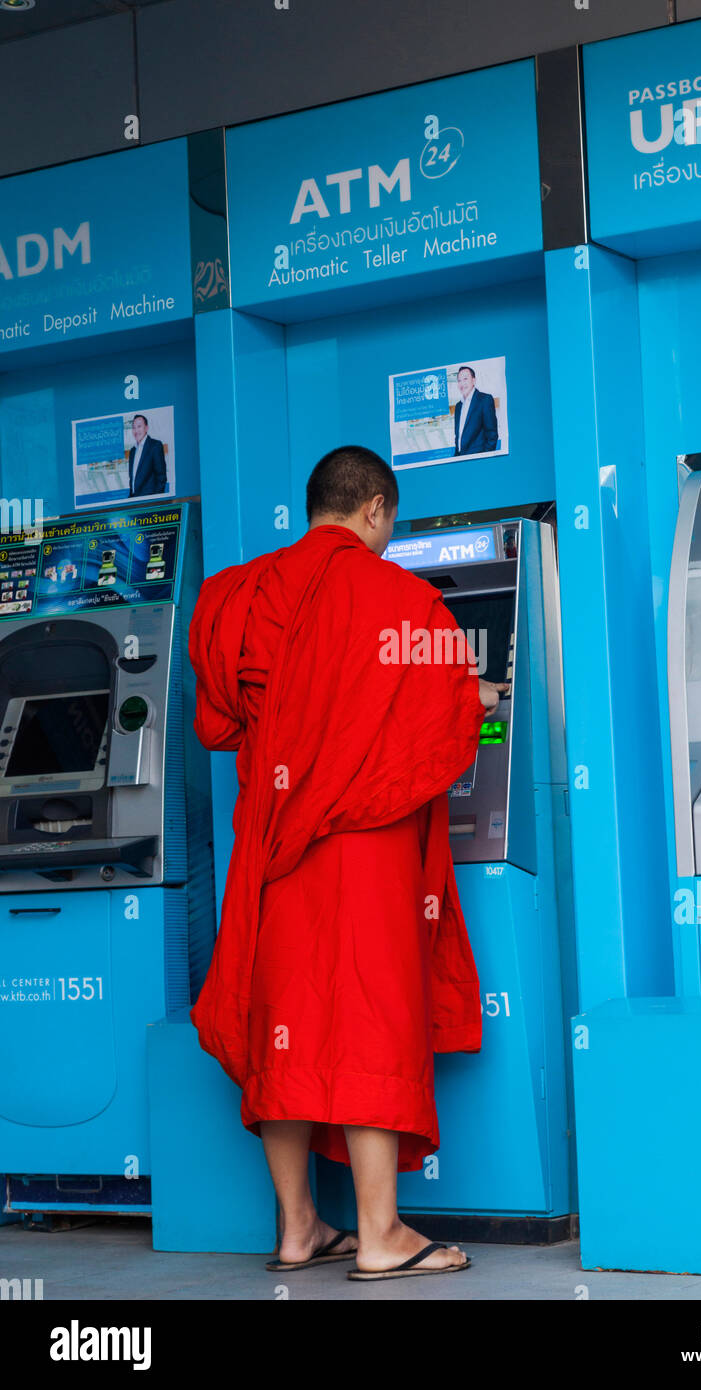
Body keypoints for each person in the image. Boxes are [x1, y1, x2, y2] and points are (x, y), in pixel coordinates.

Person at [187, 445, 509, 1280]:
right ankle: (380, 1235)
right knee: (372, 1019)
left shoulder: (240, 594)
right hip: (367, 847)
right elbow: (442, 722)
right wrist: (476, 699)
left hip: (276, 846)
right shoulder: (407, 600)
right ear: (375, 511)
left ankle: (298, 1229)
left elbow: (219, 725)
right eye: (391, 522)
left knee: (284, 1028)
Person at [453, 366, 498, 456]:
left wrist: (484, 458)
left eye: (465, 379)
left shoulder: (485, 400)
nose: (462, 384)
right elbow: (458, 438)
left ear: (473, 380)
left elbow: (492, 435)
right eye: (459, 380)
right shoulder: (458, 406)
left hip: (479, 460)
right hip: (461, 459)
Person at [127, 414, 167, 496]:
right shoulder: (132, 451)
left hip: (151, 501)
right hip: (135, 501)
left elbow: (161, 477)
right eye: (134, 428)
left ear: (146, 428)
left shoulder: (155, 446)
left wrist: (156, 500)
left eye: (139, 426)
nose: (136, 431)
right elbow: (133, 480)